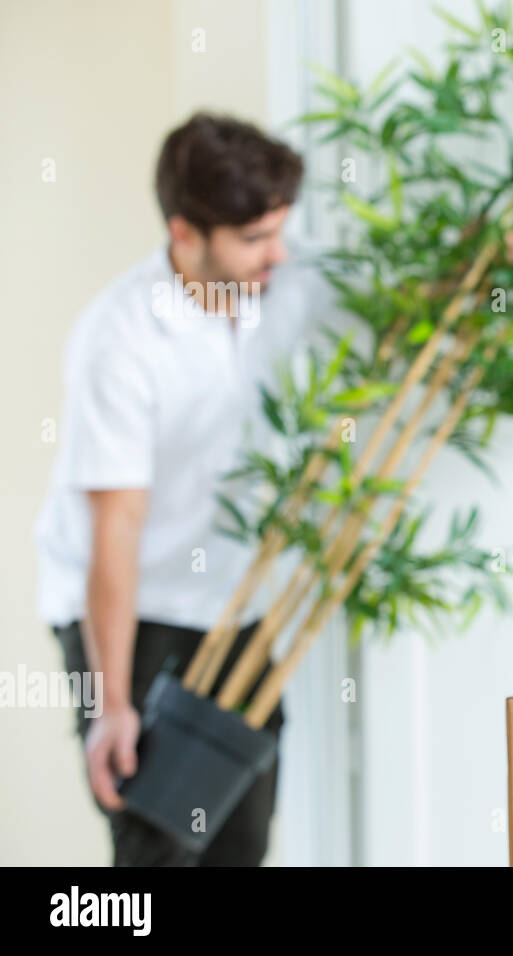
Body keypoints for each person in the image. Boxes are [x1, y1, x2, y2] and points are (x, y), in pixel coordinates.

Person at [34, 112, 315, 865]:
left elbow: (404, 295)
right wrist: (113, 705)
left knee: (241, 846)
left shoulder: (283, 283)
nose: (277, 254)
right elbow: (116, 531)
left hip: (237, 602)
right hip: (135, 609)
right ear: (187, 234)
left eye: (280, 231)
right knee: (158, 851)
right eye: (254, 239)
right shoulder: (120, 338)